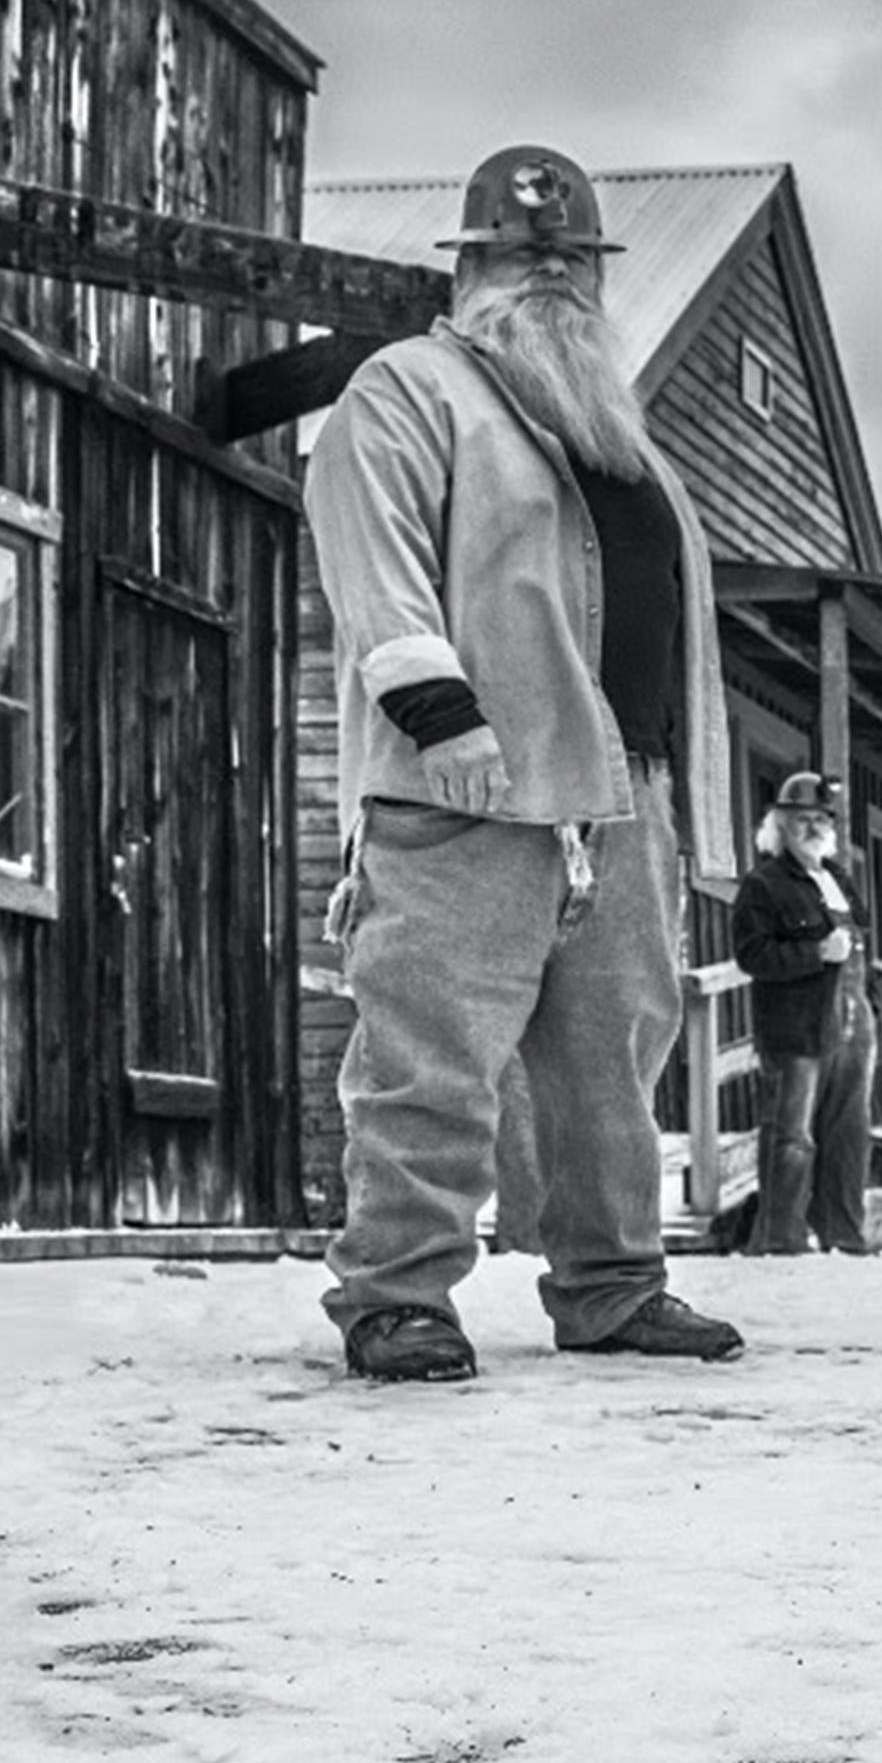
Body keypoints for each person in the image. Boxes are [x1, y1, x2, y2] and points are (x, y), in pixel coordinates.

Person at [307, 144, 747, 1383]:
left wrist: (678, 796)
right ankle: (398, 1293)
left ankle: (613, 1283)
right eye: (519, 254)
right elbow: (375, 556)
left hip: (621, 792)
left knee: (614, 1063)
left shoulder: (616, 426)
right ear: (468, 269)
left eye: (570, 260)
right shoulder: (408, 388)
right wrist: (439, 715)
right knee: (431, 1057)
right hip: (470, 780)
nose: (547, 275)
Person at [727, 770, 879, 1258]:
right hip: (797, 1027)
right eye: (800, 820)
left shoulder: (838, 879)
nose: (812, 827)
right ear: (779, 826)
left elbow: (863, 949)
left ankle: (844, 1239)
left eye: (820, 819)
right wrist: (816, 953)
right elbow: (751, 955)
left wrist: (869, 1007)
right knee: (791, 1136)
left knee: (849, 1134)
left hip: (854, 1023)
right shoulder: (763, 884)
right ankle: (780, 1240)